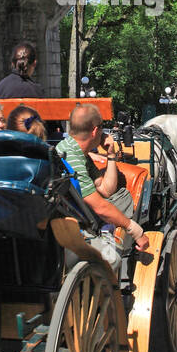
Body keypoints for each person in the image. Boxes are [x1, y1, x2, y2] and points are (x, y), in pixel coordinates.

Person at [55, 103, 149, 260]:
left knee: (122, 195)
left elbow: (106, 189)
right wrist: (134, 229)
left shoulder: (74, 151)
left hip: (74, 210)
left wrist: (111, 154)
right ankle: (108, 239)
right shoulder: (74, 159)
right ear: (94, 131)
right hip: (79, 217)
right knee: (124, 197)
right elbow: (99, 206)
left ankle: (108, 229)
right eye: (101, 128)